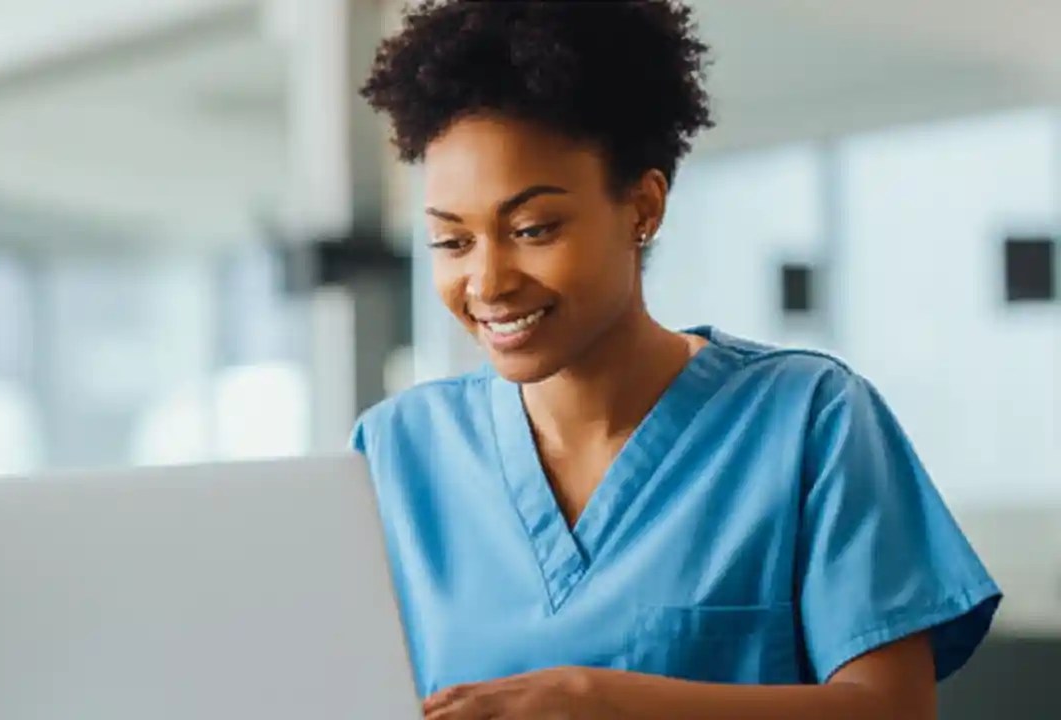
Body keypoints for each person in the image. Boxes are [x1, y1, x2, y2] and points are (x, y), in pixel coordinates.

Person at [351, 1, 1000, 719]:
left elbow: (892, 711)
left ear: (642, 208)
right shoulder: (393, 453)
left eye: (533, 228)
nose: (488, 281)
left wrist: (601, 700)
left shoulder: (809, 420)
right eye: (452, 242)